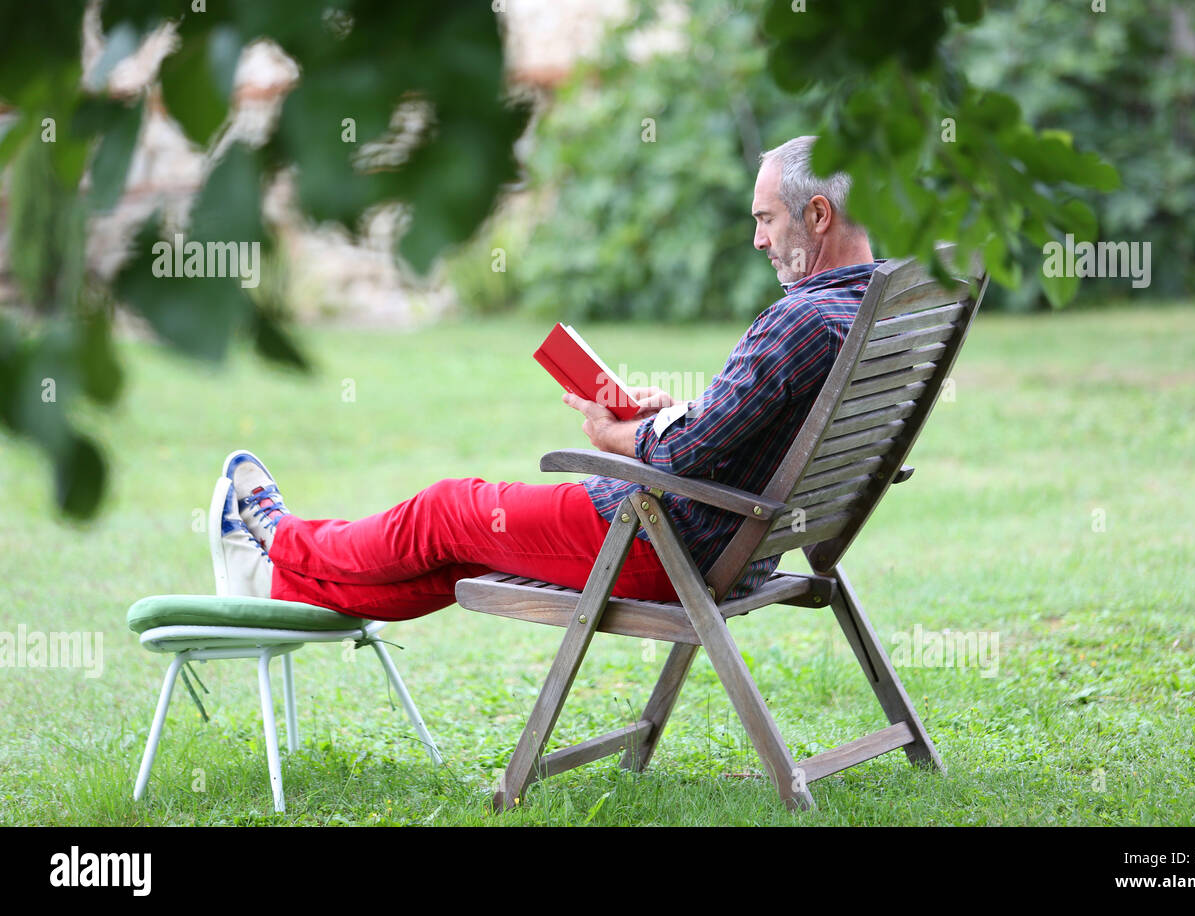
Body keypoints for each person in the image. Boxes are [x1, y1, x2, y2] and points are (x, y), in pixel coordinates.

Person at [217, 135, 880, 622]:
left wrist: (615, 433)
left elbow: (680, 453)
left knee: (447, 511)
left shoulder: (802, 319)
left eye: (765, 219)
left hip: (670, 541)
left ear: (817, 216)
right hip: (741, 541)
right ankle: (276, 584)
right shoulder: (870, 308)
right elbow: (760, 425)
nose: (759, 240)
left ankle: (281, 540)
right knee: (461, 553)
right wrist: (676, 410)